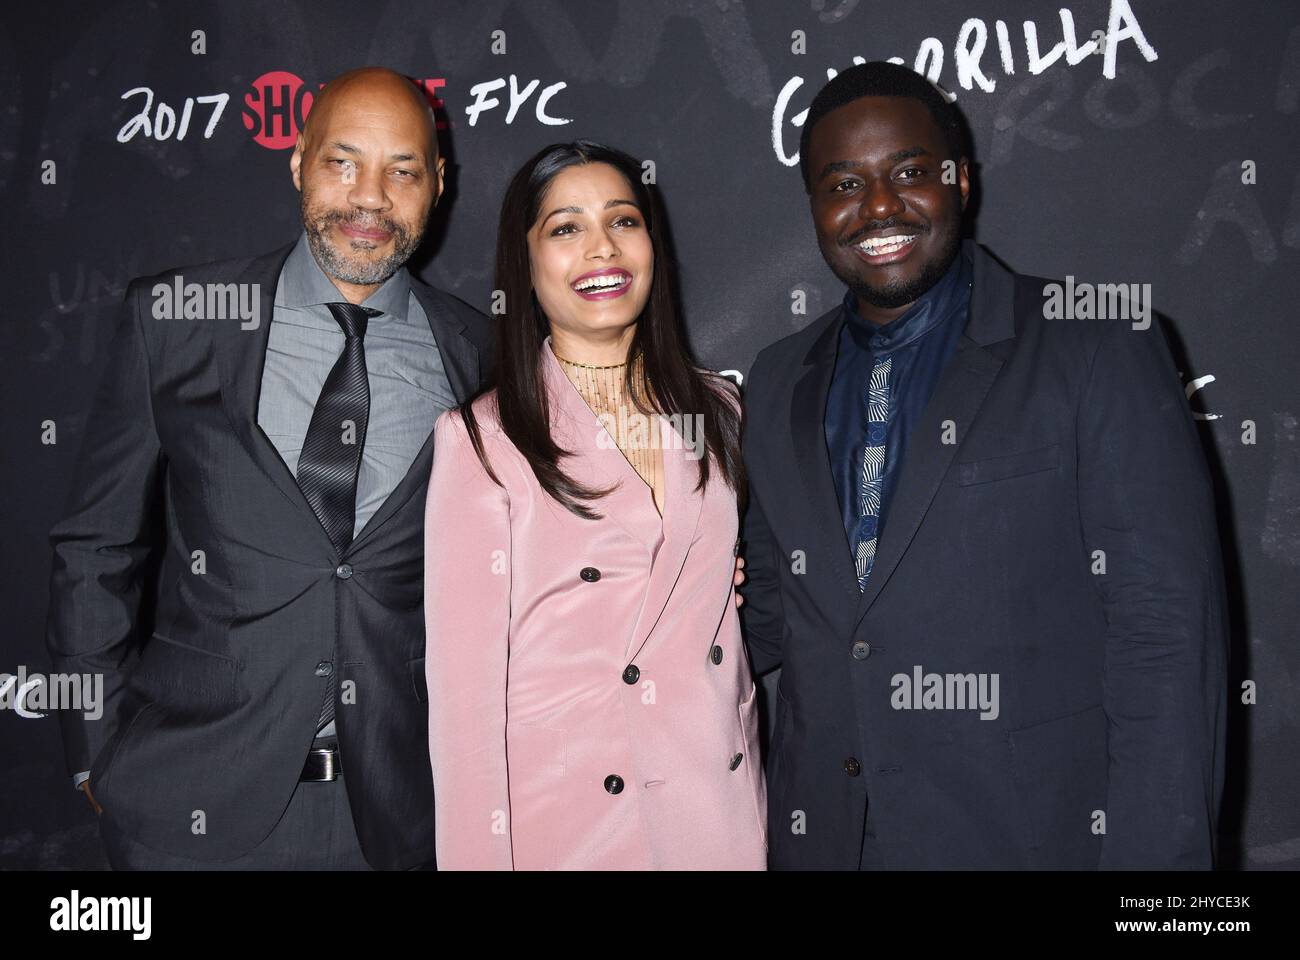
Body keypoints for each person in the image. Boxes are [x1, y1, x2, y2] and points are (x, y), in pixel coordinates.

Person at [739, 61, 1228, 870]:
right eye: (844, 183)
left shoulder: (1097, 342)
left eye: (909, 173)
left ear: (960, 179)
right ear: (817, 208)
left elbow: (1164, 642)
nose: (880, 207)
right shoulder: (776, 376)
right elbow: (765, 616)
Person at [44, 67, 492, 869]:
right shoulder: (174, 322)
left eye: (403, 170)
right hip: (188, 810)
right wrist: (93, 748)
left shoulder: (479, 354)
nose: (370, 198)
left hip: (396, 818)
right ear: (297, 163)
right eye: (342, 162)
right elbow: (95, 549)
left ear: (439, 184)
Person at [423, 140, 766, 870]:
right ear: (525, 262)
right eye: (565, 227)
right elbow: (463, 707)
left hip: (712, 809)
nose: (601, 247)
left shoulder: (720, 410)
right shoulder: (481, 441)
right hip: (567, 822)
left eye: (623, 220)